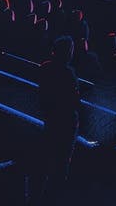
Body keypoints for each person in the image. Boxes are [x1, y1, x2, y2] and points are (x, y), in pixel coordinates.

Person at [36, 35, 81, 202]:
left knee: (48, 157)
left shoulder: (45, 68)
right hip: (65, 123)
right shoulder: (68, 74)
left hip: (51, 119)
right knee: (61, 162)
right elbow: (74, 101)